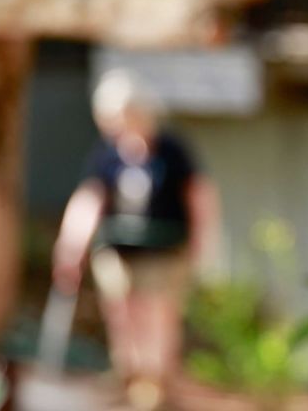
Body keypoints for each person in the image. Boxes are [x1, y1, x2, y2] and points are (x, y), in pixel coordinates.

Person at [51, 69, 220, 410]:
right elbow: (90, 199)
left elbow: (199, 197)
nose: (112, 124)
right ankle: (129, 376)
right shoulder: (107, 153)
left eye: (117, 116)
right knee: (122, 315)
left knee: (157, 314)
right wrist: (71, 246)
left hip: (164, 250)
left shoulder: (170, 149)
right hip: (118, 250)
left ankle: (157, 382)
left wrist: (205, 243)